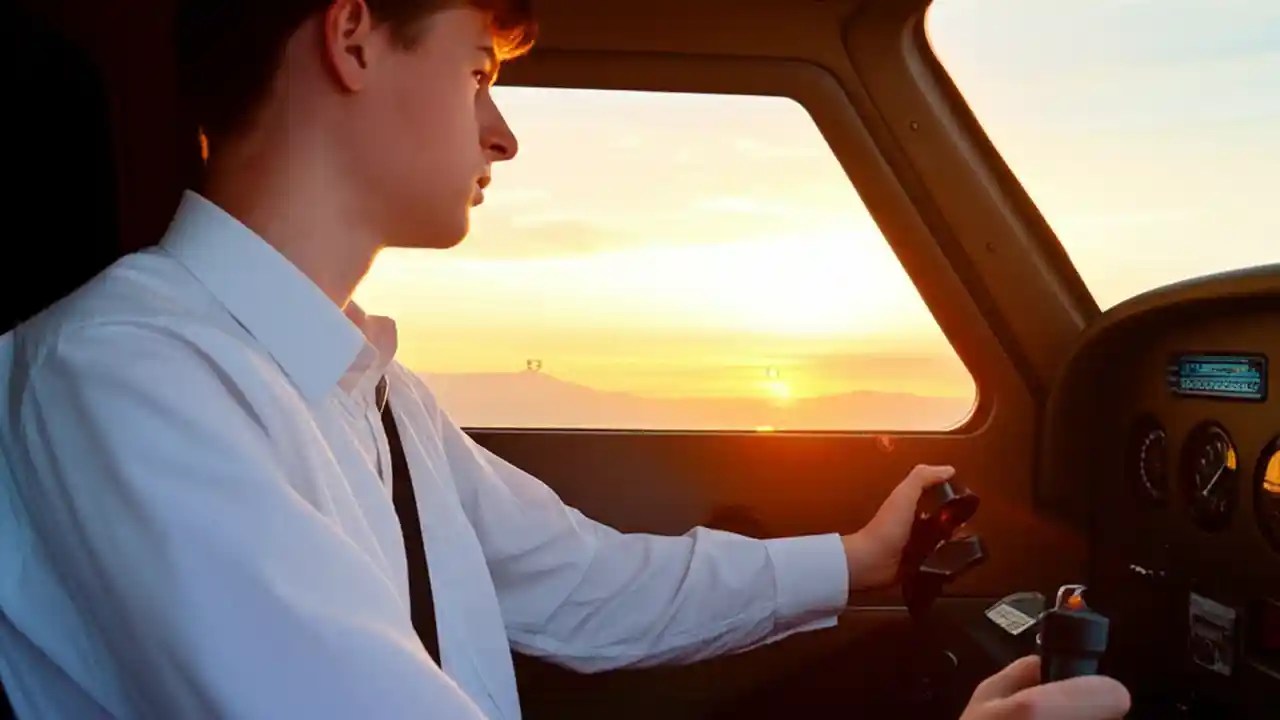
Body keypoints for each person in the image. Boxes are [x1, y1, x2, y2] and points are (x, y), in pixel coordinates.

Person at [0, 1, 1131, 718]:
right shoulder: (122, 379)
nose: (502, 133)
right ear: (350, 37)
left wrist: (857, 561)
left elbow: (589, 583)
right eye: (477, 68)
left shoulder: (376, 396)